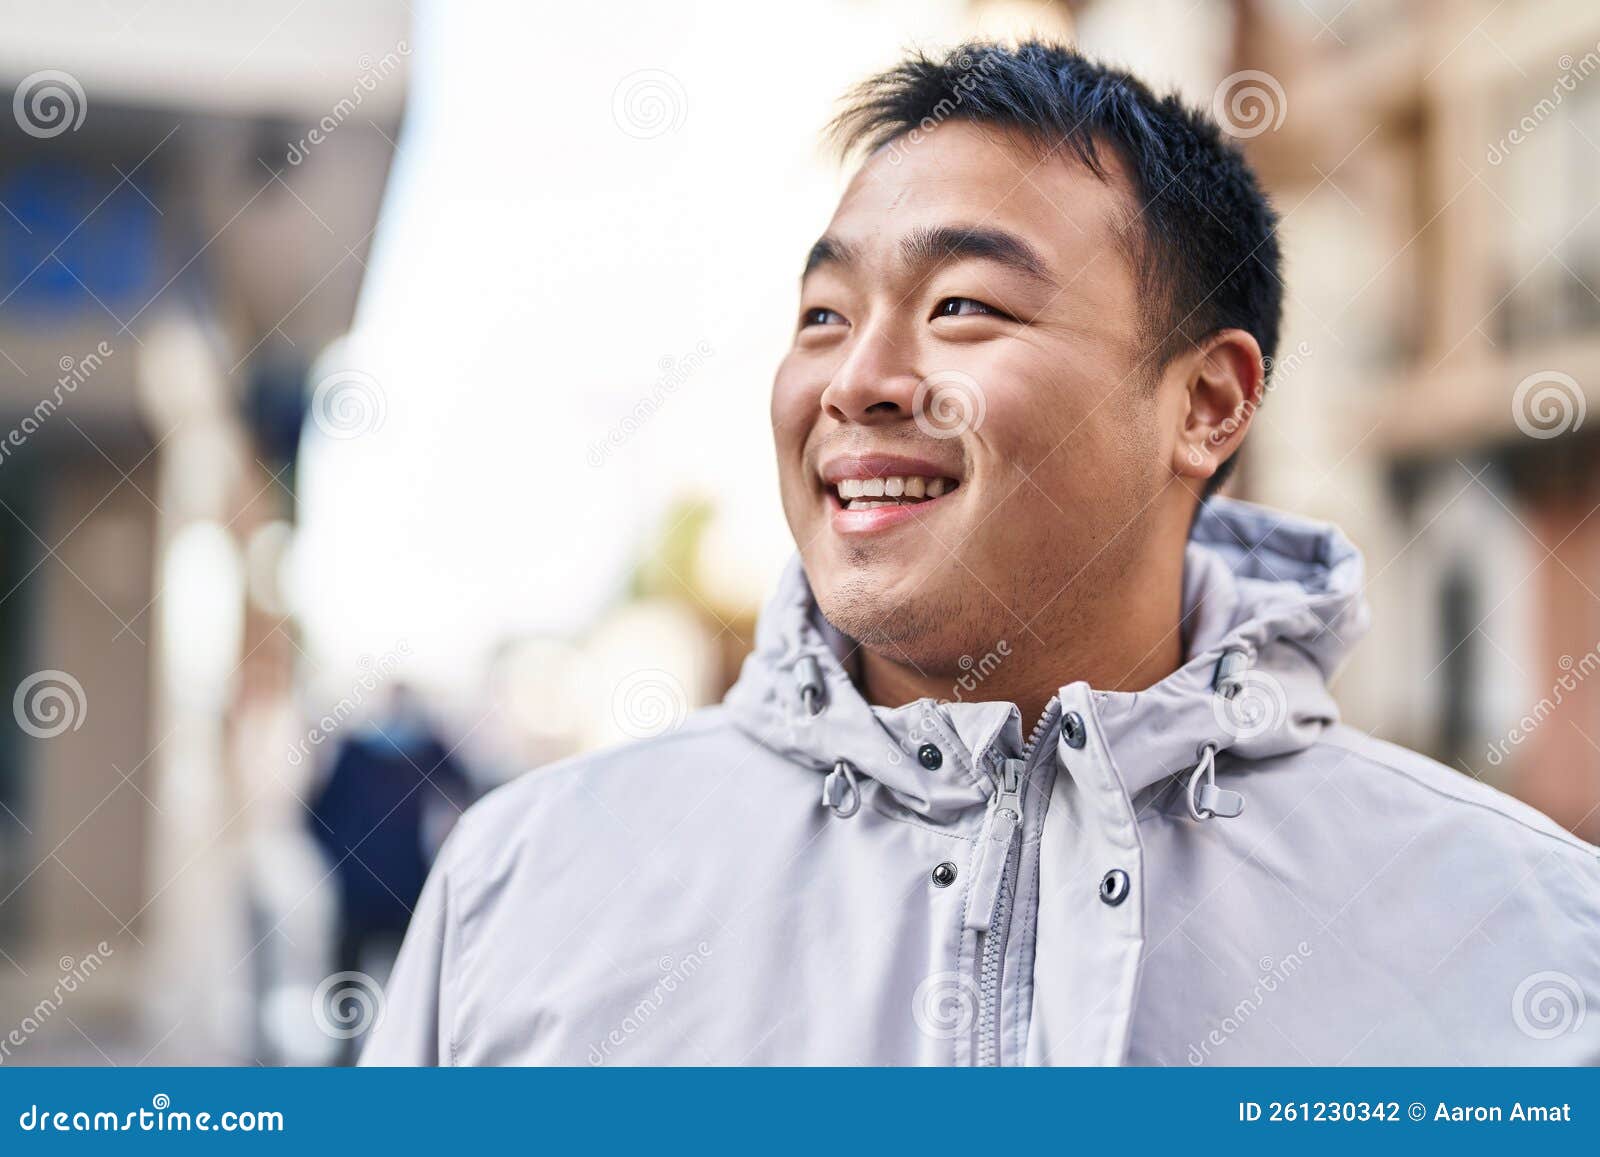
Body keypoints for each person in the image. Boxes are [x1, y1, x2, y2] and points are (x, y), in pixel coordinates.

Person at [363, 41, 1600, 1065]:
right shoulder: (522, 884)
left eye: (962, 306)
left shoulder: (1522, 929)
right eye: (823, 316)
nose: (857, 379)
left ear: (1206, 402)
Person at [308, 683, 473, 1059]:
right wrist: (344, 861)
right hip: (362, 895)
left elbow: (467, 796)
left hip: (407, 892)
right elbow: (317, 816)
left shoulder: (429, 750)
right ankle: (345, 1057)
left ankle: (398, 1057)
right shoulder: (355, 754)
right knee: (349, 987)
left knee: (414, 987)